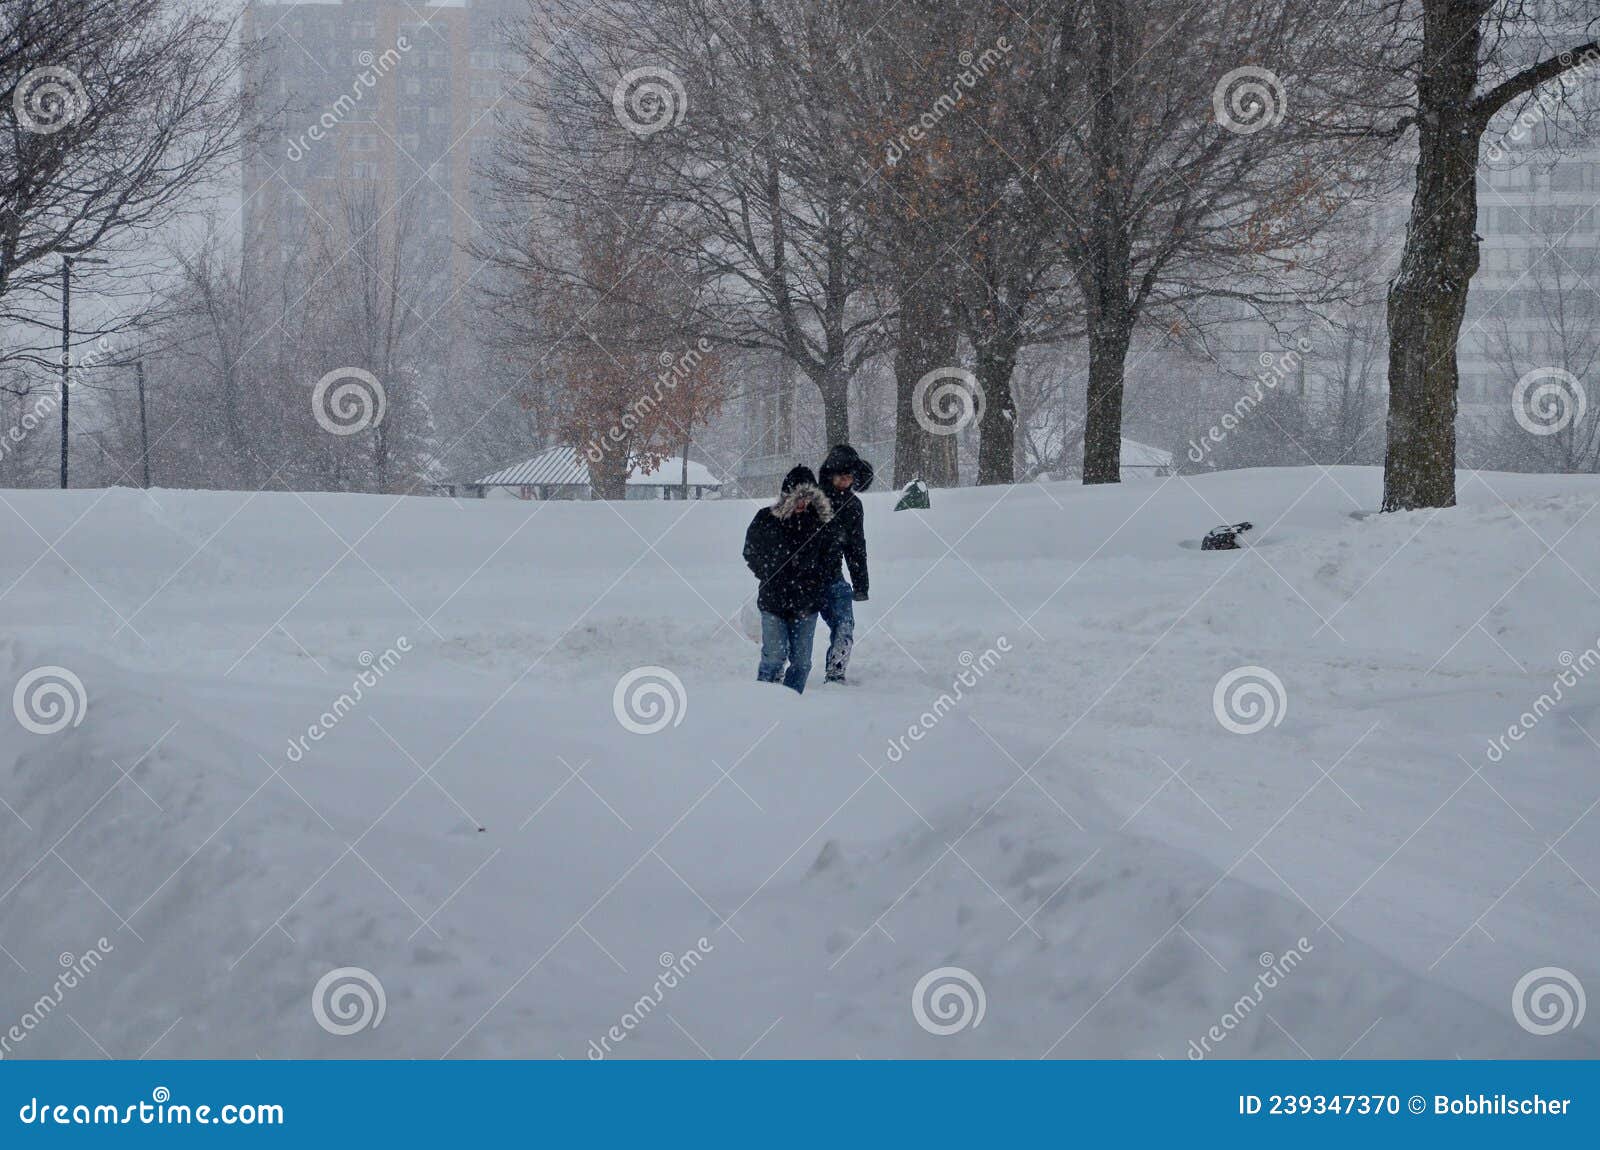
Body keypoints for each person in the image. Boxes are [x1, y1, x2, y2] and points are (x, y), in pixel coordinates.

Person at [742, 466, 840, 694]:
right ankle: (765, 700)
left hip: (807, 604)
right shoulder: (766, 519)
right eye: (797, 498)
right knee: (774, 657)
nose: (802, 504)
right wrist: (768, 573)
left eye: (807, 498)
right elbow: (750, 550)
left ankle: (791, 704)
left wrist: (817, 581)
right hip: (773, 601)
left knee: (802, 663)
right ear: (787, 495)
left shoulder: (821, 524)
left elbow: (832, 558)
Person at [817, 444, 873, 684]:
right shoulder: (811, 500)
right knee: (795, 633)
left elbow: (856, 549)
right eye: (841, 476)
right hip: (802, 581)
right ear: (831, 475)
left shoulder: (853, 506)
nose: (845, 481)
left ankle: (836, 672)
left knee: (844, 625)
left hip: (833, 578)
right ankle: (776, 674)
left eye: (850, 477)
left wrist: (860, 585)